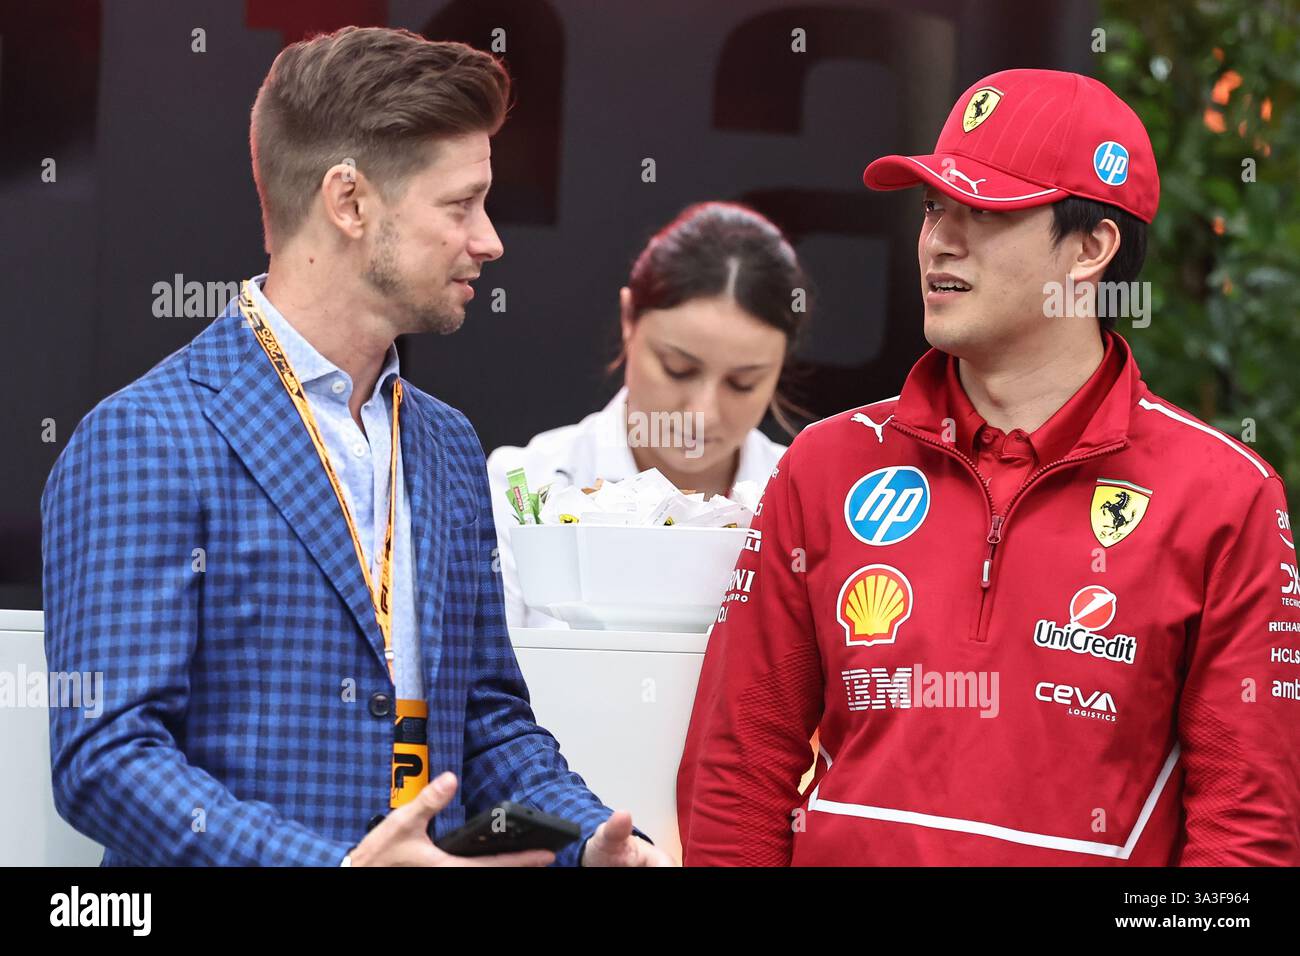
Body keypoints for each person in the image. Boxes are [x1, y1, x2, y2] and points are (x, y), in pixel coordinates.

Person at [42, 26, 671, 867]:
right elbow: (107, 758)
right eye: (459, 206)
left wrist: (589, 843)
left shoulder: (446, 444)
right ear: (349, 203)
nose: (490, 240)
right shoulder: (144, 438)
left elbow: (484, 721)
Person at [677, 68, 1300, 865]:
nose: (939, 238)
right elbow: (737, 770)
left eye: (985, 210)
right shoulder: (825, 465)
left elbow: (1246, 832)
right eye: (935, 206)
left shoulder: (1226, 496)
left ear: (1091, 248)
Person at [487, 202, 810, 627]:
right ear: (628, 319)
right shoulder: (525, 487)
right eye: (679, 369)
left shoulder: (806, 501)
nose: (702, 414)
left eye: (742, 383)